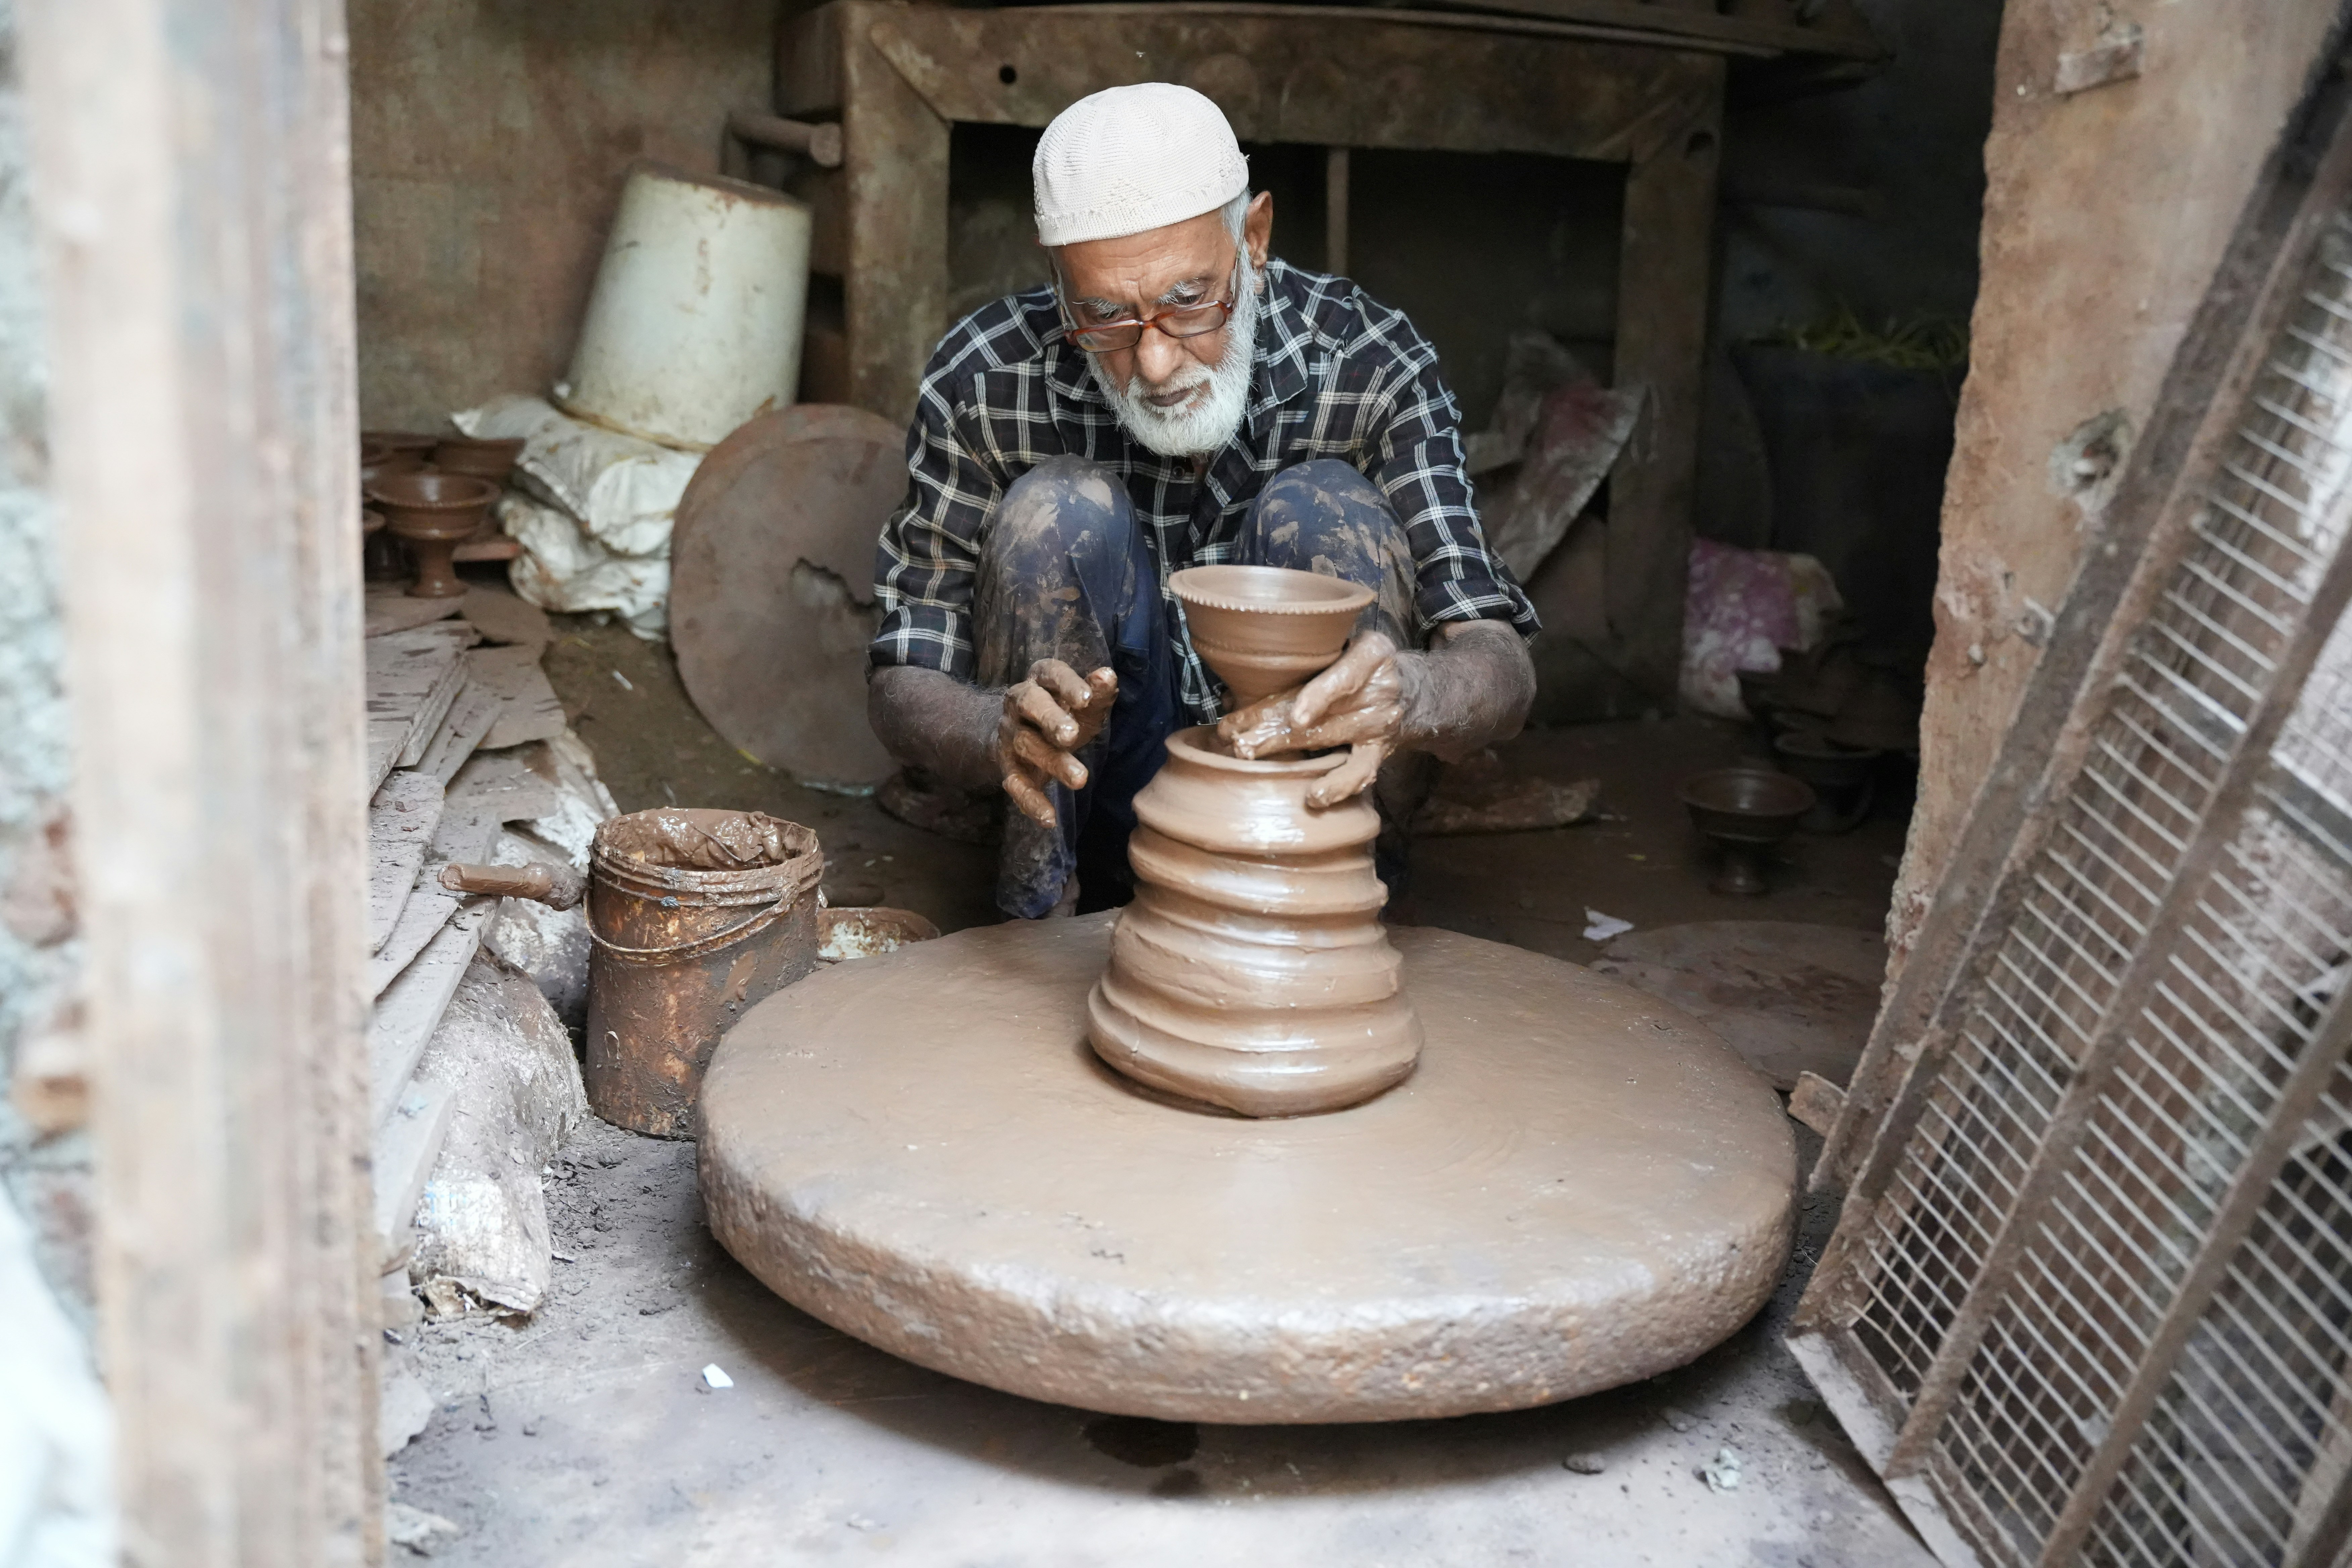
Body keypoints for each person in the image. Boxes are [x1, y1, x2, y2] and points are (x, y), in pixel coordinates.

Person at [867, 83, 1539, 919]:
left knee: (1327, 502)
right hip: (1087, 793)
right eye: (1105, 316)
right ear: (1058, 282)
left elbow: (1501, 666)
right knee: (1059, 506)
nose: (1154, 362)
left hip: (1303, 815)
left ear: (1253, 238)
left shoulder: (1372, 364)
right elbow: (903, 675)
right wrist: (991, 727)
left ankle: (1339, 908)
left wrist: (1415, 692)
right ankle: (1041, 909)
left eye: (1189, 300)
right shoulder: (984, 378)